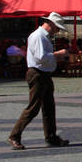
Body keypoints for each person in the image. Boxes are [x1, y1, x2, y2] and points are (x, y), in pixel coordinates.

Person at [7, 13, 72, 150]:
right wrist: (58, 54)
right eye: (57, 28)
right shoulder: (38, 36)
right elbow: (40, 57)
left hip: (44, 74)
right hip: (37, 74)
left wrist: (55, 58)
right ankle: (14, 135)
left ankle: (51, 136)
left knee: (49, 107)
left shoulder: (44, 37)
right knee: (33, 107)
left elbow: (43, 57)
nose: (58, 31)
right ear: (51, 24)